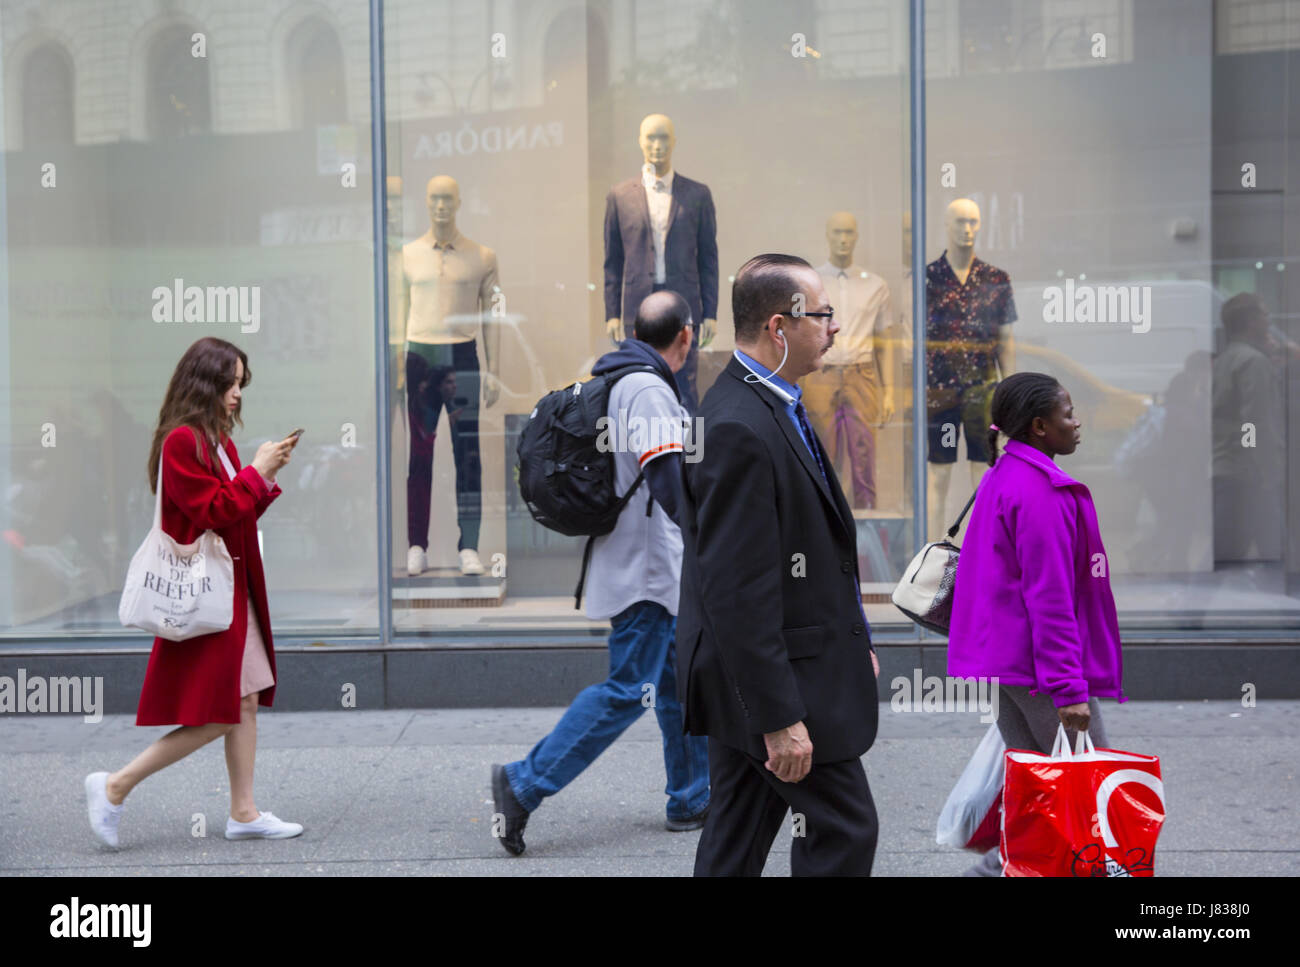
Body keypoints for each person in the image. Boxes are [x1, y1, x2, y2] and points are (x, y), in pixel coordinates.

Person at [677, 253, 881, 877]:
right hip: (773, 683)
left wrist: (856, 639)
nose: (835, 328)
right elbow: (738, 593)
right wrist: (779, 719)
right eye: (822, 315)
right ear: (778, 326)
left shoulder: (767, 401)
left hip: (763, 673)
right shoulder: (739, 423)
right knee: (847, 830)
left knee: (734, 844)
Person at [491, 290, 710, 855]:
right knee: (626, 689)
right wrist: (706, 538)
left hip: (640, 565)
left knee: (676, 687)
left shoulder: (622, 377)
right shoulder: (649, 388)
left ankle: (691, 796)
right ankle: (524, 782)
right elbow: (664, 477)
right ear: (685, 336)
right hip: (648, 570)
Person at [85, 337, 303, 848]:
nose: (236, 394)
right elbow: (210, 512)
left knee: (244, 701)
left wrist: (261, 481)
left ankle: (244, 812)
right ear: (202, 382)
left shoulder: (216, 439)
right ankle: (115, 786)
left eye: (240, 384)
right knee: (220, 712)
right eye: (228, 383)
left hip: (232, 590)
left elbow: (234, 512)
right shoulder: (183, 441)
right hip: (209, 597)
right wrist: (256, 472)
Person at [947, 371, 1126, 876]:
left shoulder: (1004, 475)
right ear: (1041, 426)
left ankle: (994, 870)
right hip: (1042, 672)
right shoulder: (1040, 490)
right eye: (1069, 414)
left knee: (1041, 794)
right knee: (1091, 796)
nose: (1078, 423)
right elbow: (1049, 599)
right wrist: (1069, 689)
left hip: (1009, 666)